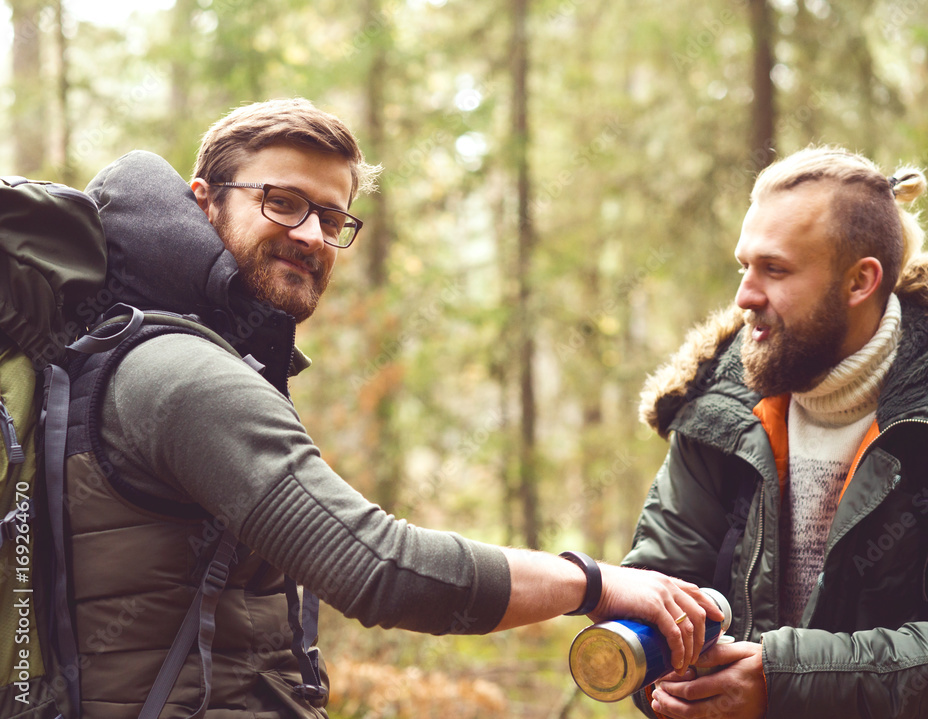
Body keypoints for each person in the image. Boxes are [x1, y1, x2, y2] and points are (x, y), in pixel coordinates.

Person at [65, 97, 721, 719]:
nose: (311, 236)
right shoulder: (185, 376)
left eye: (330, 219)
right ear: (203, 202)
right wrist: (594, 583)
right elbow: (378, 567)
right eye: (283, 202)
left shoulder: (131, 346)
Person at [622, 146, 928, 719]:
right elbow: (653, 586)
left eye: (775, 270)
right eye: (743, 266)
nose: (745, 296)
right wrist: (658, 676)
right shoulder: (718, 406)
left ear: (860, 282)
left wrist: (781, 684)